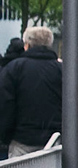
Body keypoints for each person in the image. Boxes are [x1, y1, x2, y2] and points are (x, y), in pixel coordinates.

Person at [0, 26, 66, 158]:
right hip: (55, 141)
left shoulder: (14, 69)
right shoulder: (62, 70)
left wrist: (5, 137)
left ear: (27, 45)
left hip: (22, 141)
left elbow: (5, 105)